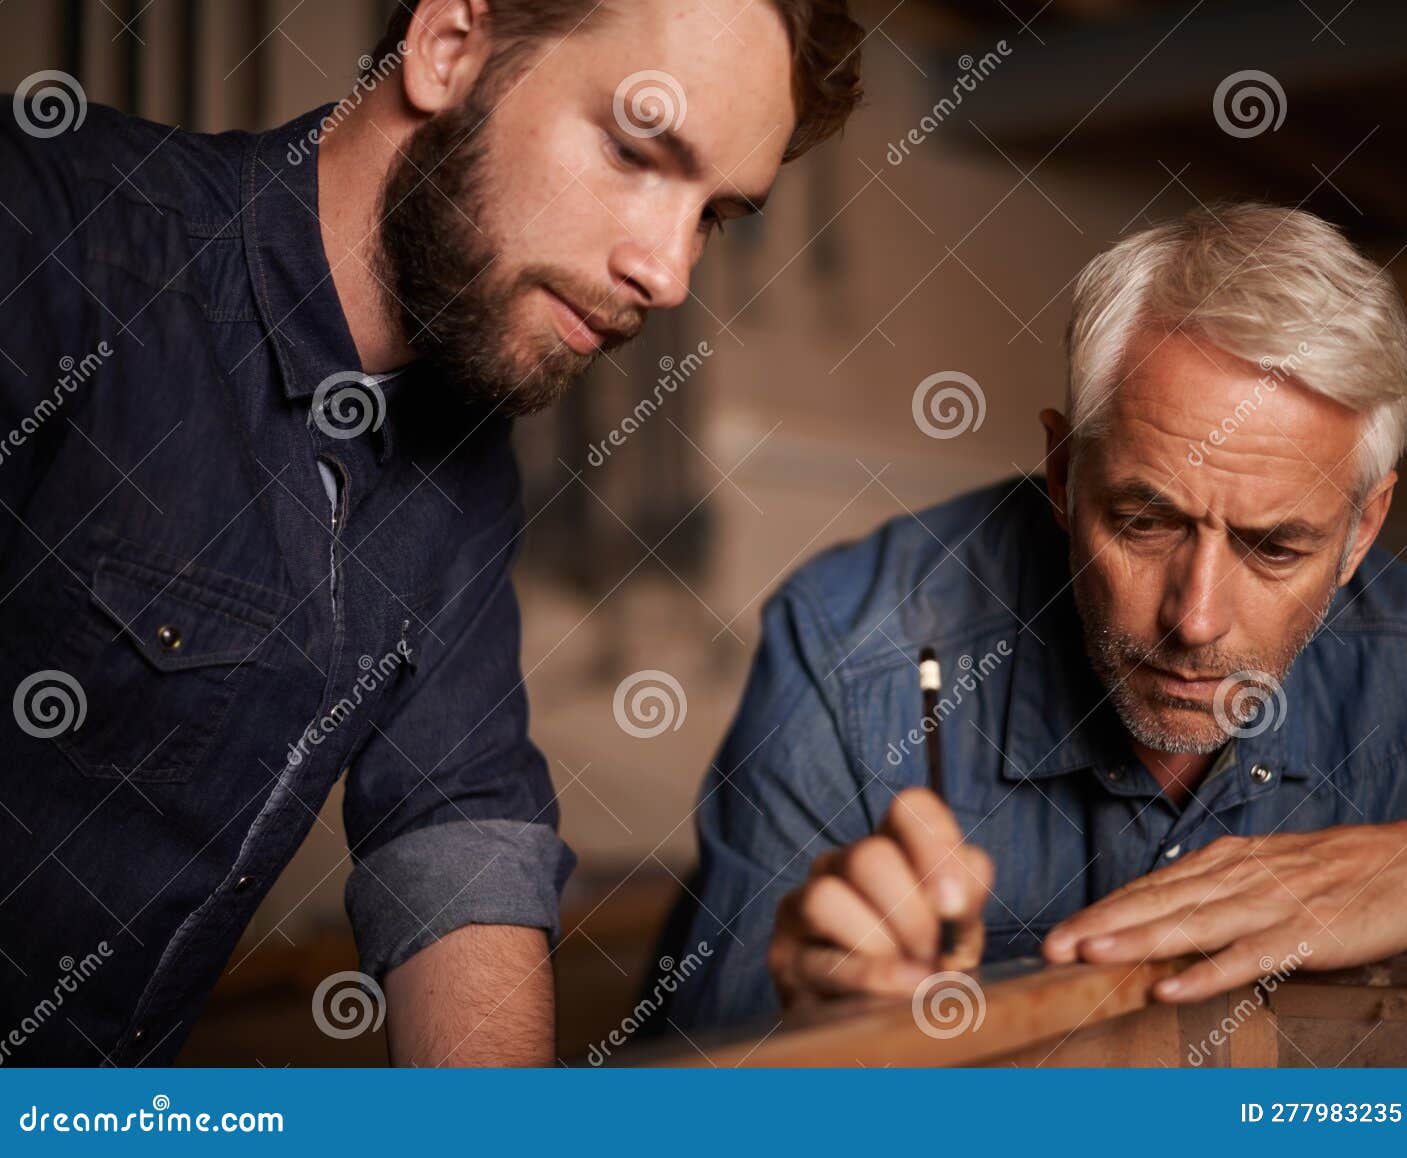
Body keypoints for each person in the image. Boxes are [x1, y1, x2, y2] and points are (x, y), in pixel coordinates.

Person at [0, 0, 861, 1064]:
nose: (669, 274)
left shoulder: (461, 453)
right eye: (638, 151)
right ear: (449, 47)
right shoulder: (45, 231)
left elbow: (454, 824)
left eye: (714, 215)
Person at [661, 202, 1407, 1029]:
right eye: (1146, 522)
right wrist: (819, 1042)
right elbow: (694, 1084)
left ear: (1364, 526)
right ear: (1065, 476)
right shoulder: (851, 646)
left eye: (1276, 548)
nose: (1195, 621)